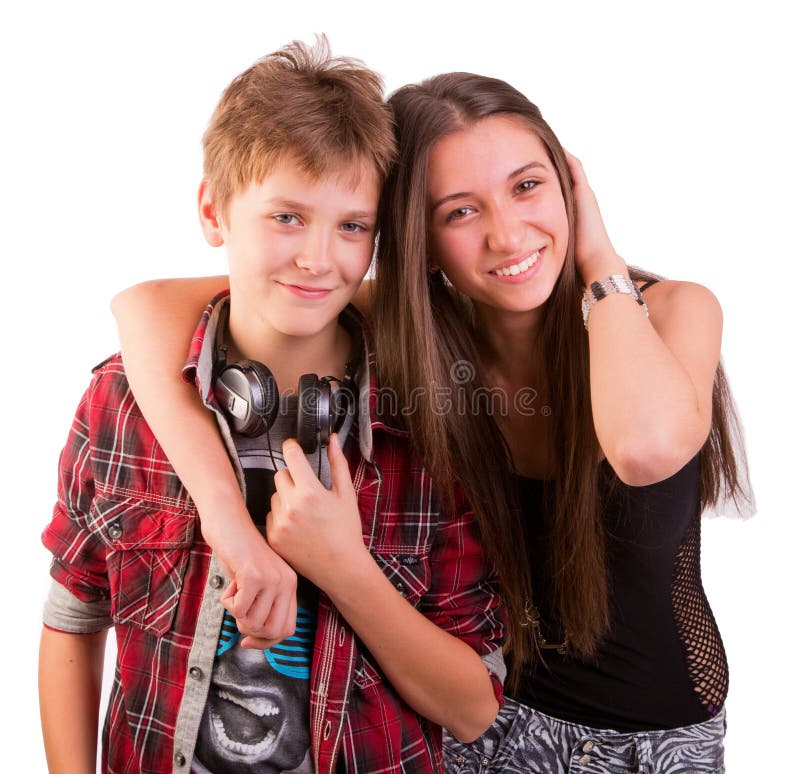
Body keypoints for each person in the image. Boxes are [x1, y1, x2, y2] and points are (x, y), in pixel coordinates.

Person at [110, 72, 752, 772]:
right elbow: (145, 309)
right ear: (419, 238)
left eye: (528, 186)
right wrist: (229, 525)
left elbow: (642, 449)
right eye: (460, 212)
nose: (507, 235)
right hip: (475, 734)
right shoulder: (417, 333)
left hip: (653, 744)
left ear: (573, 188)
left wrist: (598, 257)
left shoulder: (670, 313)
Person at [38, 43, 505, 774]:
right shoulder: (123, 398)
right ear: (212, 210)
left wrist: (346, 568)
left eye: (352, 226)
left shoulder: (427, 423)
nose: (320, 258)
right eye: (287, 216)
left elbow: (475, 707)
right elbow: (73, 618)